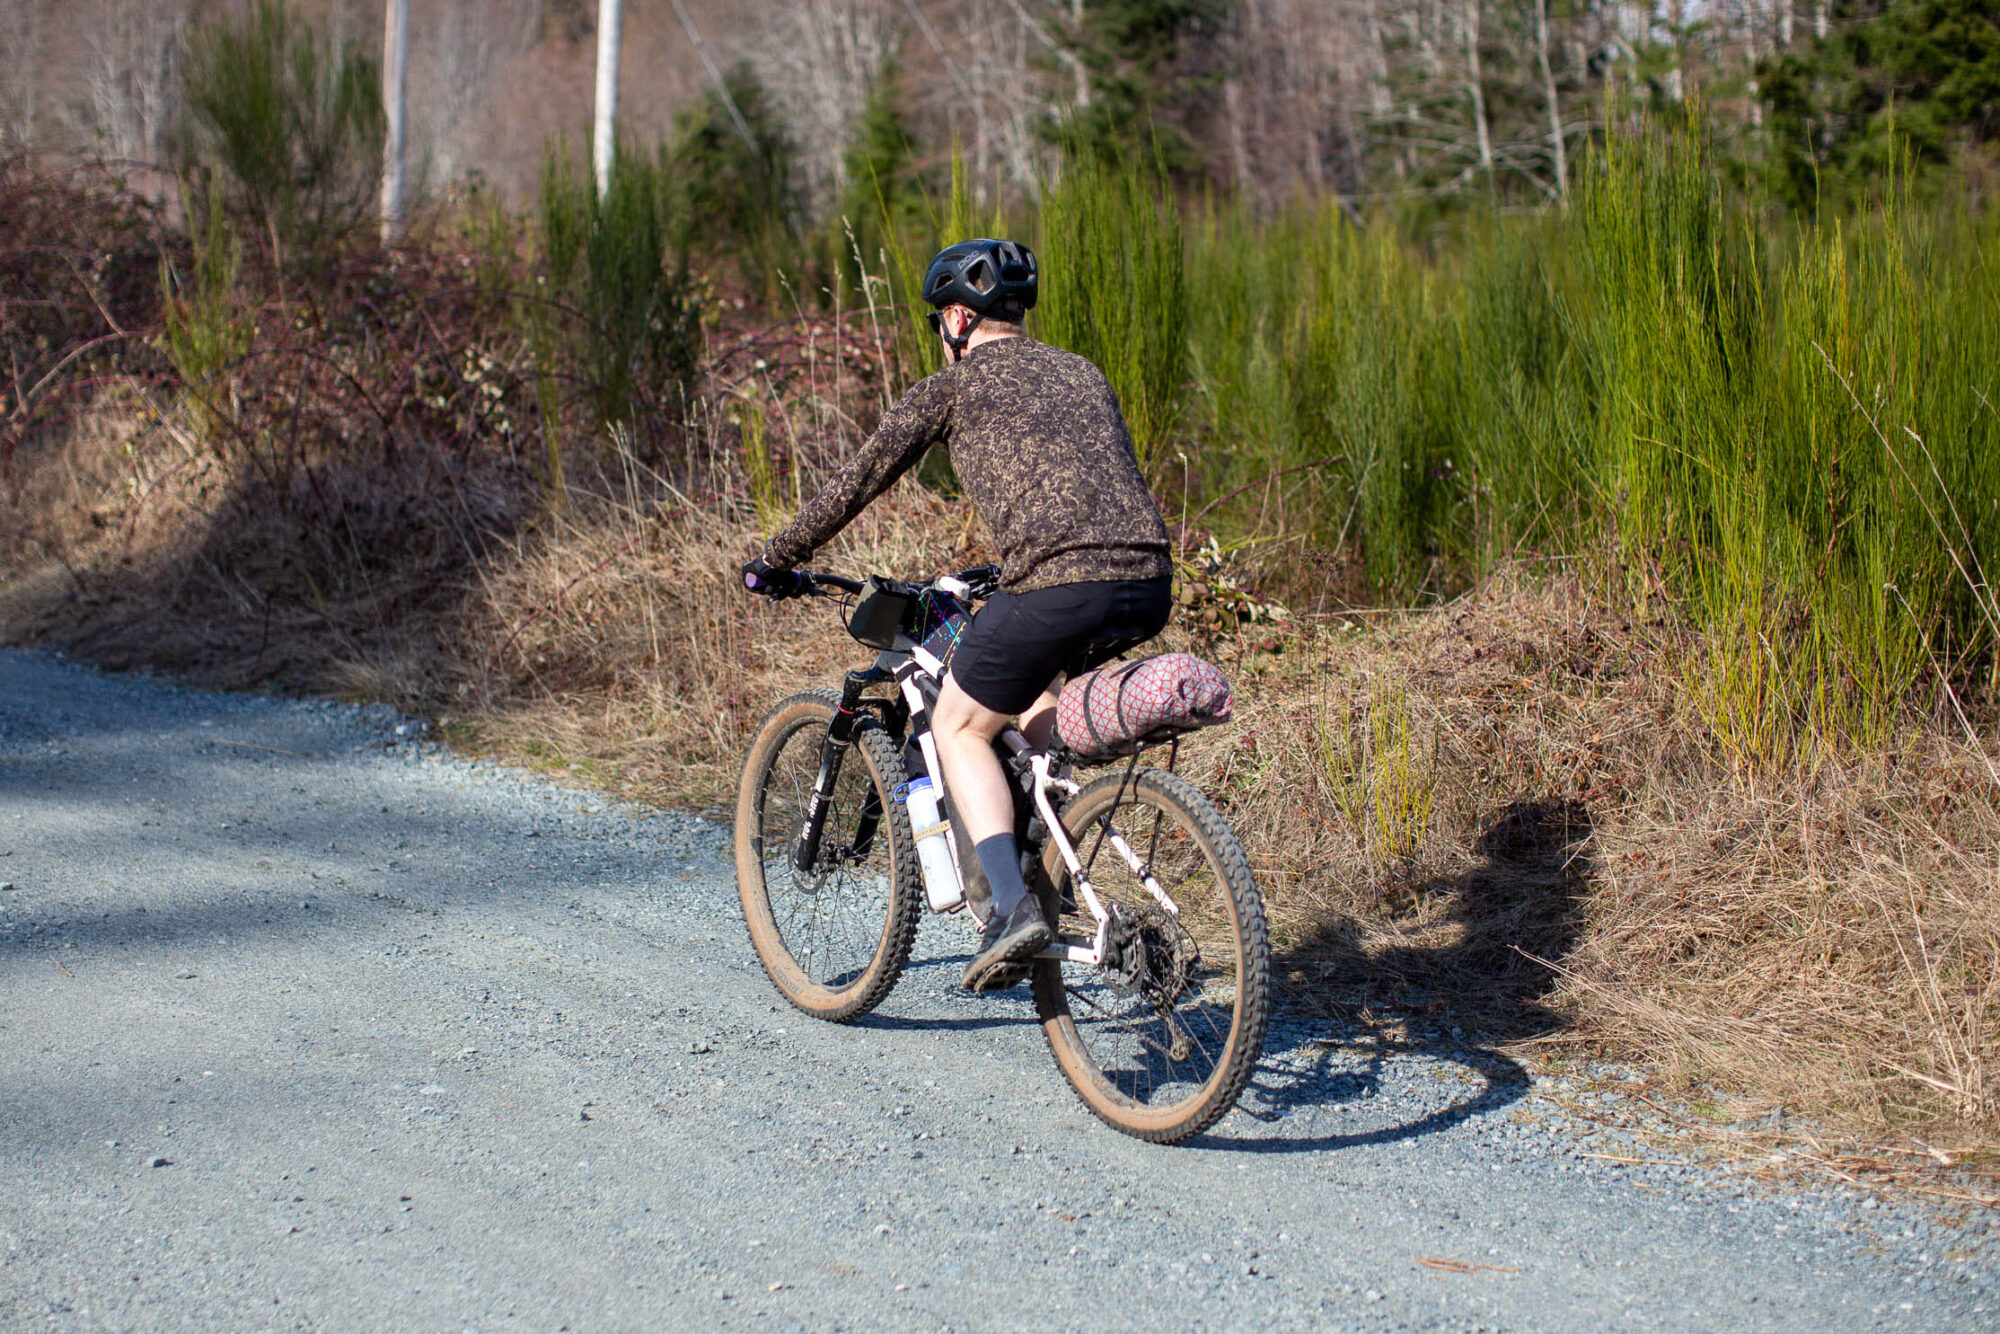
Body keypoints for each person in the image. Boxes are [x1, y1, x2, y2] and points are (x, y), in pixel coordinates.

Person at [741, 238, 1174, 991]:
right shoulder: (1083, 372)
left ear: (956, 319)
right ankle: (1052, 832)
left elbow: (859, 479)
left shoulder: (955, 387)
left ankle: (1011, 909)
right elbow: (1088, 490)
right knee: (1028, 705)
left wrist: (778, 555)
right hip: (1149, 581)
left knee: (958, 725)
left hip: (1059, 584)